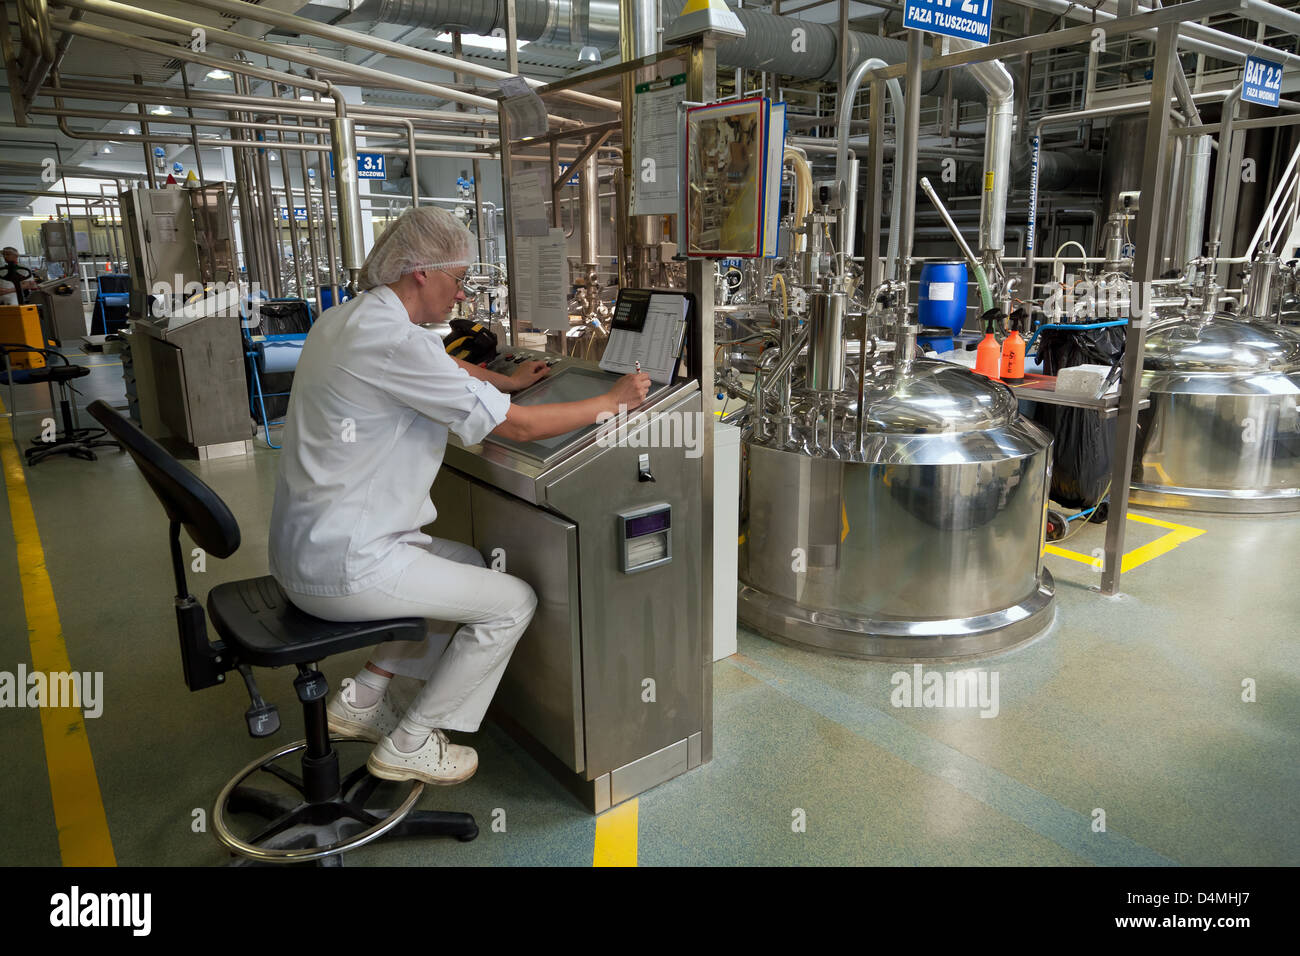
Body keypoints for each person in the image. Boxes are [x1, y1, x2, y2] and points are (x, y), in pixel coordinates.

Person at [268, 207, 649, 786]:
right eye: (458, 280)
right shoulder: (397, 341)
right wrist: (614, 400)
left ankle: (364, 696)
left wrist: (510, 380)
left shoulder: (344, 319)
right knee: (513, 601)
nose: (462, 296)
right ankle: (412, 741)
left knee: (468, 563)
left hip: (305, 546)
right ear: (421, 271)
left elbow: (444, 370)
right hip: (348, 562)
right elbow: (517, 429)